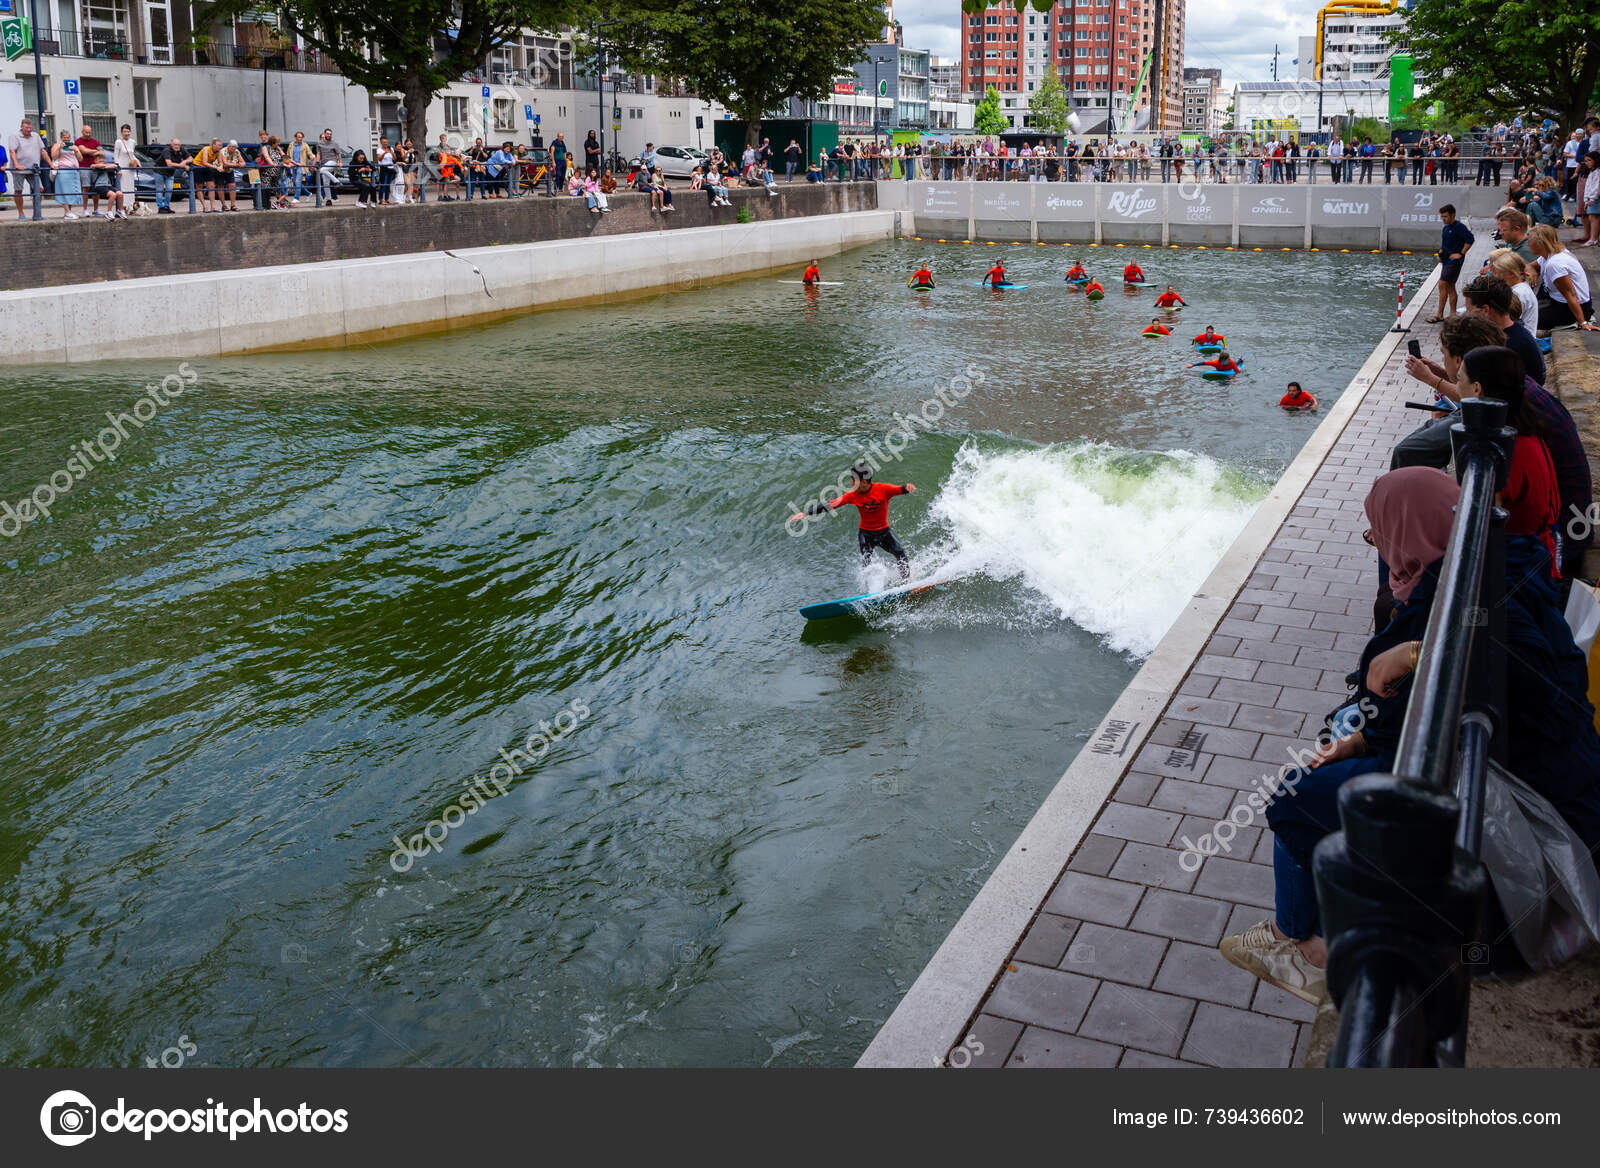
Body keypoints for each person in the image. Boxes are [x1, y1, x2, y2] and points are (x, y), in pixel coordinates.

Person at [1220, 467, 1600, 1004]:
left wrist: (1413, 654)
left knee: (1294, 798)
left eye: (1378, 533)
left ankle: (1304, 951)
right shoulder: (1503, 567)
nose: (1378, 545)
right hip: (1552, 780)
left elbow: (1486, 683)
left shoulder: (1454, 603)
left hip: (1537, 827)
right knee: (1334, 765)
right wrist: (1369, 729)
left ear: (1406, 531)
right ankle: (1311, 936)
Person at [792, 463, 918, 582]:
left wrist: (907, 488)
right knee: (866, 563)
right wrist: (806, 513)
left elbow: (899, 489)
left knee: (900, 552)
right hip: (866, 534)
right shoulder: (852, 495)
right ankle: (871, 591)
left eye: (853, 480)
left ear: (863, 482)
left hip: (884, 531)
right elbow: (831, 504)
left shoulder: (883, 489)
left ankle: (907, 582)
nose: (851, 483)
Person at [1462, 275, 1545, 385]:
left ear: (1486, 310)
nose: (1467, 315)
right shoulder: (1513, 331)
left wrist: (1434, 380)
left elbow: (1476, 394)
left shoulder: (1507, 348)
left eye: (1469, 310)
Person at [1528, 223, 1593, 329]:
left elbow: (1570, 295)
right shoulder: (1547, 255)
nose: (1528, 244)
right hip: (1555, 299)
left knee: (1529, 320)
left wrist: (1583, 323)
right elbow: (1530, 266)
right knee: (1526, 310)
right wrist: (1533, 271)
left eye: (1530, 240)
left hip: (1571, 308)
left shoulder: (1555, 264)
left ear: (1540, 243)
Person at [1425, 204, 1473, 322]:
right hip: (1446, 260)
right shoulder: (1446, 228)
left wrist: (1461, 254)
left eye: (1445, 216)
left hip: (1454, 261)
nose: (1443, 219)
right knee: (1450, 286)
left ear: (1453, 215)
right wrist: (1440, 254)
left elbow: (1470, 239)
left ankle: (1440, 314)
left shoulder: (1459, 227)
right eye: (1442, 217)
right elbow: (1444, 244)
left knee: (1442, 283)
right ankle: (1452, 315)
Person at [1485, 248, 1540, 334]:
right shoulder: (1518, 287)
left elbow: (1506, 321)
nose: (1493, 275)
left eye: (1497, 272)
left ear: (1511, 274)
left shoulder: (1518, 293)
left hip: (1520, 338)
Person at [7, 118, 49, 220]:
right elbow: (12, 151)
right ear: (21, 127)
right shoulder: (14, 136)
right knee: (18, 190)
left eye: (30, 128)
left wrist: (51, 164)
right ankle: (21, 213)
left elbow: (42, 151)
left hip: (33, 168)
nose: (29, 130)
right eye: (26, 128)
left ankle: (37, 213)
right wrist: (17, 165)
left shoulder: (35, 136)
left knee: (39, 189)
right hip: (19, 169)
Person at [51, 130, 83, 220]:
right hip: (63, 171)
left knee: (72, 193)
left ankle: (68, 213)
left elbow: (80, 159)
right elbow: (54, 157)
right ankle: (67, 211)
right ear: (61, 138)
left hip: (74, 171)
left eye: (68, 137)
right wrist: (59, 148)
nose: (67, 139)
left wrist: (76, 150)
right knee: (64, 191)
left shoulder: (74, 146)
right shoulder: (57, 145)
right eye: (64, 138)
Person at [154, 136, 188, 214]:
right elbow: (169, 163)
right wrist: (182, 165)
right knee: (159, 190)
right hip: (159, 171)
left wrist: (185, 162)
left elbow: (191, 158)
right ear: (171, 145)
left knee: (169, 189)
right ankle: (160, 207)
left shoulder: (181, 150)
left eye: (178, 145)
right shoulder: (167, 150)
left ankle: (166, 206)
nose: (177, 146)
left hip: (170, 173)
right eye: (175, 144)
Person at [111, 124, 138, 219]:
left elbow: (132, 155)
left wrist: (138, 162)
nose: (126, 133)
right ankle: (122, 209)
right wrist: (118, 168)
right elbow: (116, 156)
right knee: (123, 189)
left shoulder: (133, 142)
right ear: (121, 132)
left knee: (130, 189)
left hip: (130, 168)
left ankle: (131, 209)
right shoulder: (118, 142)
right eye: (125, 131)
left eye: (128, 131)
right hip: (122, 168)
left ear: (130, 132)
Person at [1576, 153, 1600, 247]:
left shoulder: (1597, 172)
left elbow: (1597, 187)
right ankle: (1594, 238)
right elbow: (1588, 187)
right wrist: (1586, 199)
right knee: (1592, 217)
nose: (1587, 163)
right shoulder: (1592, 172)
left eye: (1589, 160)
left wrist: (1592, 198)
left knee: (1594, 218)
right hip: (1591, 198)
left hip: (1595, 198)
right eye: (1586, 161)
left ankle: (1593, 239)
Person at [316, 128, 343, 204]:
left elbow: (338, 153)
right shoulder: (319, 143)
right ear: (324, 134)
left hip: (333, 162)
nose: (329, 135)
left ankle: (337, 181)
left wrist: (340, 162)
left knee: (322, 170)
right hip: (324, 163)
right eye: (327, 133)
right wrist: (317, 162)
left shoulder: (334, 143)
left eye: (330, 134)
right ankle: (329, 200)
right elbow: (318, 154)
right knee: (325, 183)